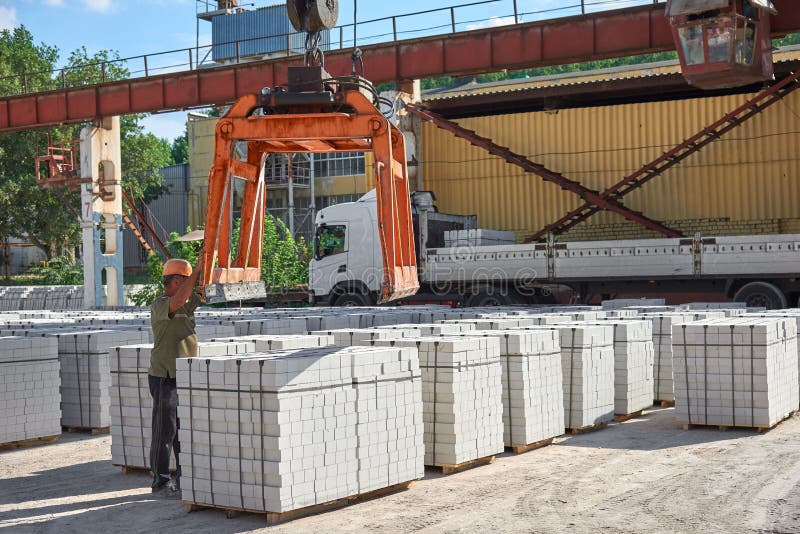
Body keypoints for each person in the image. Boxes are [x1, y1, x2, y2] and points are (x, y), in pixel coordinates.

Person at [148, 255, 205, 497]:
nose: (189, 284)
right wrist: (198, 268)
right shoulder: (161, 304)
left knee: (184, 431)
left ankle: (184, 478)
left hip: (185, 375)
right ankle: (160, 481)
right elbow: (179, 298)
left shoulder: (188, 303)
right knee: (165, 431)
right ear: (174, 281)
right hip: (165, 376)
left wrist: (212, 263)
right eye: (185, 278)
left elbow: (202, 291)